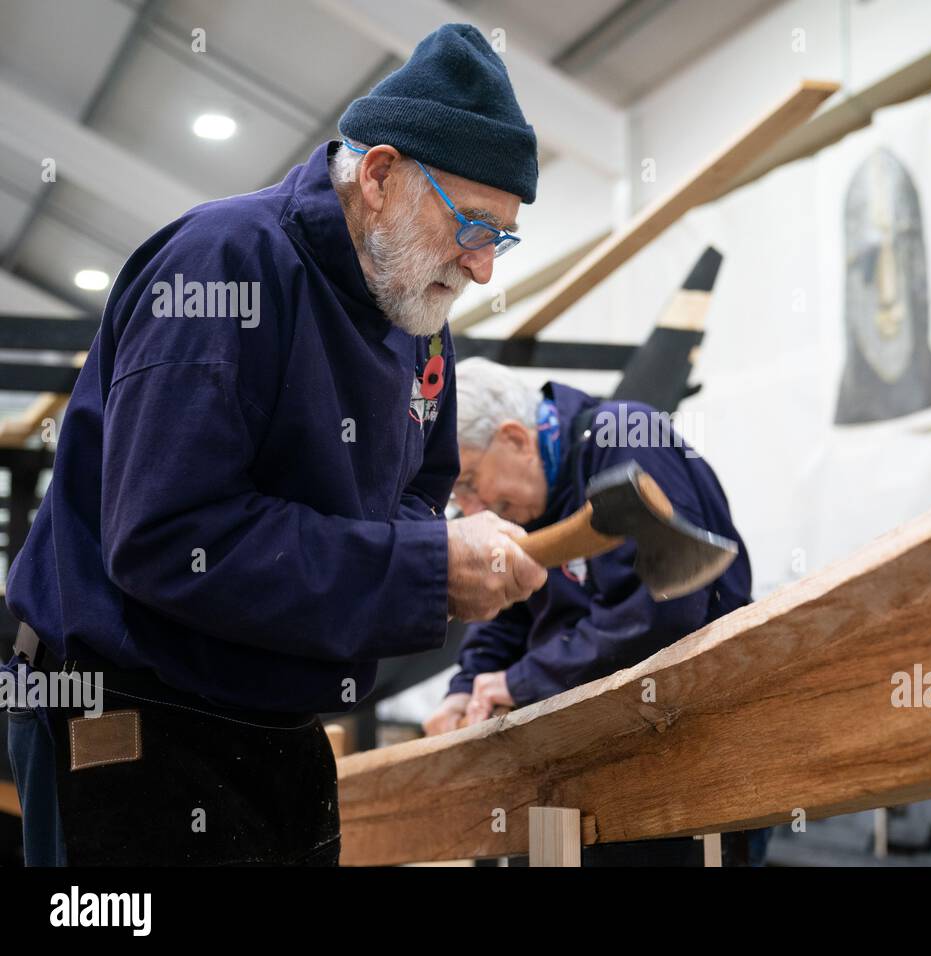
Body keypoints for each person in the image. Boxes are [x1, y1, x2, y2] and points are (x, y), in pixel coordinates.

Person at [2, 24, 547, 866]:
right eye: (473, 226)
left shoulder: (419, 321)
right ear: (379, 175)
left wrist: (441, 555)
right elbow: (167, 537)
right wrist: (423, 569)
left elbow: (413, 493)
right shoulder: (221, 268)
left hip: (280, 721)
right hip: (129, 718)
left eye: (500, 239)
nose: (483, 270)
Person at [423, 358, 769, 865]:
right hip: (576, 771)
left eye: (471, 483)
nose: (472, 509)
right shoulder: (525, 505)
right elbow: (509, 614)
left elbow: (662, 615)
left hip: (686, 761)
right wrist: (467, 687)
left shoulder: (628, 438)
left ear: (517, 439)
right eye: (459, 498)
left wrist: (522, 681)